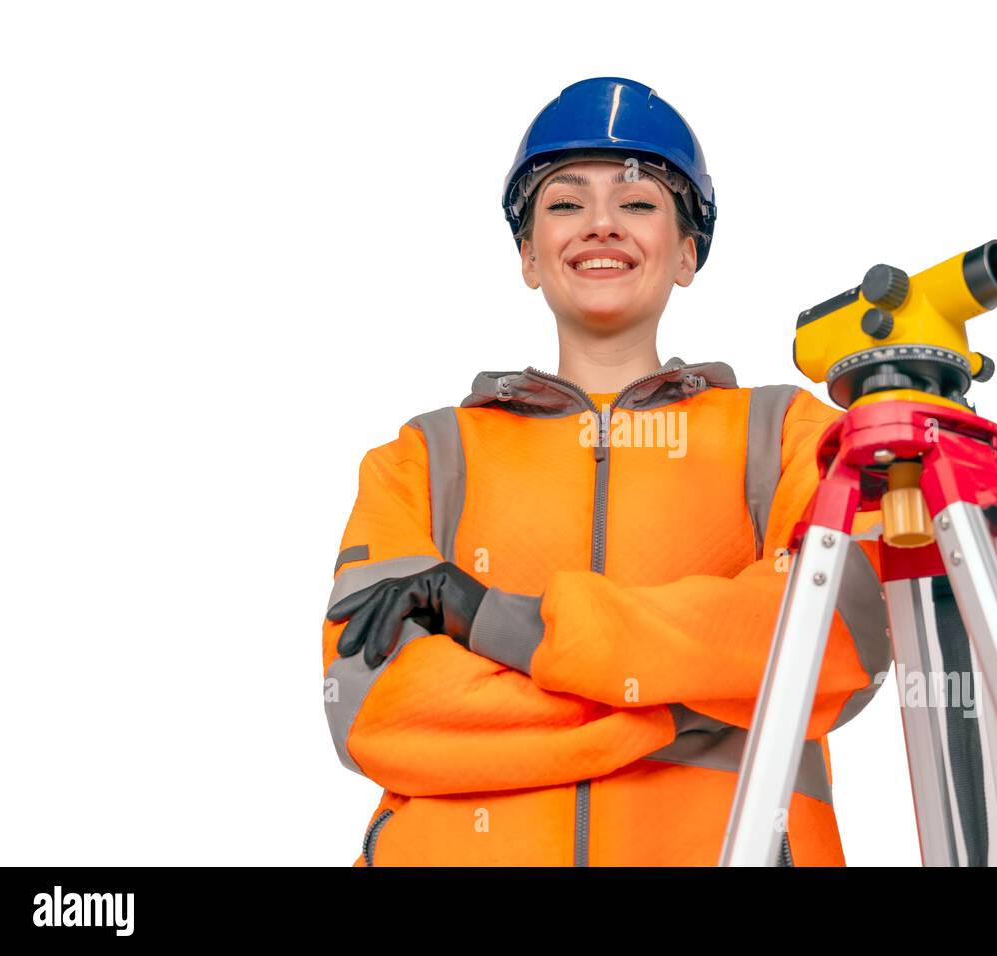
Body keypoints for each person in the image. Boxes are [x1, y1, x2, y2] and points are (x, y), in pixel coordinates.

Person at [321, 76, 892, 867]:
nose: (599, 225)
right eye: (563, 204)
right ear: (528, 255)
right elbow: (373, 709)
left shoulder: (786, 437)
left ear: (687, 252)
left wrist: (489, 618)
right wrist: (689, 699)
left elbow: (835, 643)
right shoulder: (425, 458)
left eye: (638, 202)